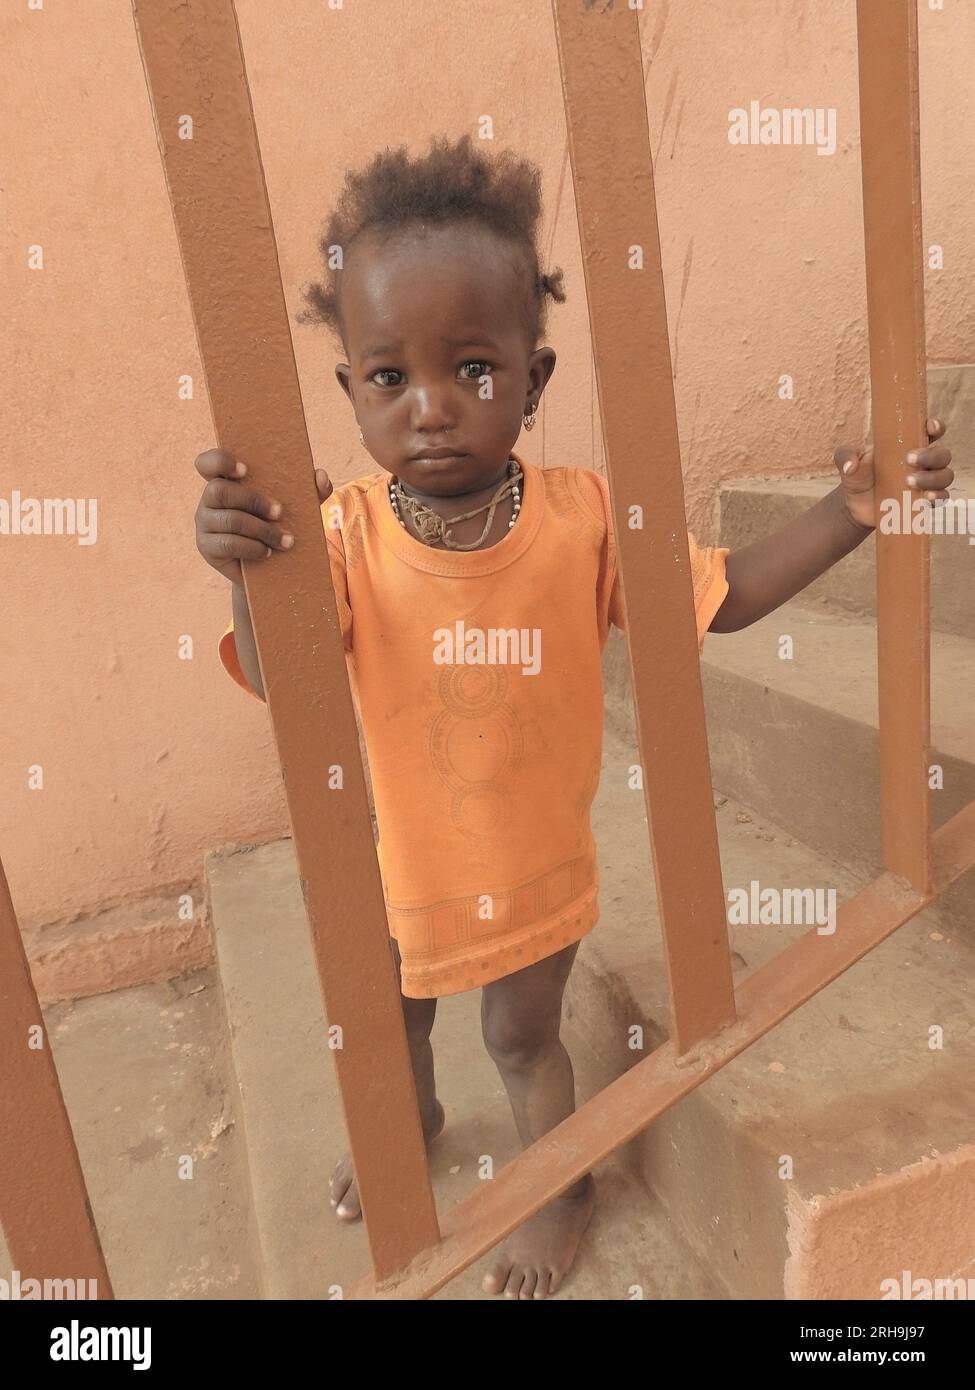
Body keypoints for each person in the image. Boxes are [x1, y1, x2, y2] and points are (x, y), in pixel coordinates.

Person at [194, 133, 953, 1299]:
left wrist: (847, 512)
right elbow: (278, 674)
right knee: (392, 1027)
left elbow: (726, 597)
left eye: (475, 369)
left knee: (520, 1037)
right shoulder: (338, 534)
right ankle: (412, 1131)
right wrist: (250, 578)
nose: (434, 409)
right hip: (392, 858)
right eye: (391, 378)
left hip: (531, 864)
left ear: (534, 380)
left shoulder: (582, 518)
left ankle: (563, 1189)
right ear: (349, 392)